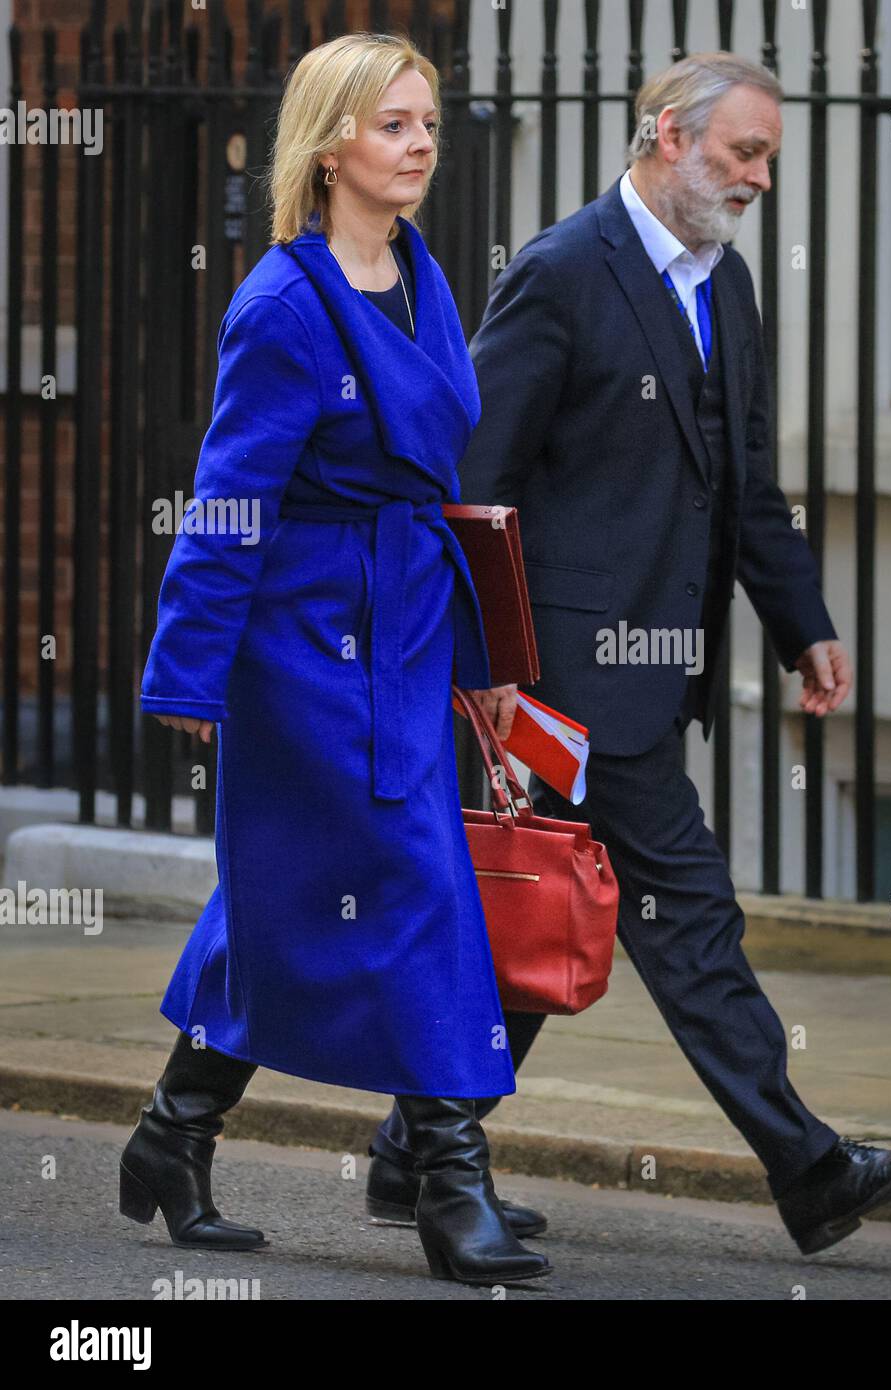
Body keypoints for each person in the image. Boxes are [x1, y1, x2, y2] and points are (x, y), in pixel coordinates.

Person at [367, 52, 891, 1259]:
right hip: (565, 685)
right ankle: (809, 1167)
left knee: (538, 921)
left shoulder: (721, 287)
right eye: (745, 152)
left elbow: (746, 488)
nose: (760, 177)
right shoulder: (564, 272)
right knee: (685, 914)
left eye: (768, 157)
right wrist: (496, 677)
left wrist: (805, 625)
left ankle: (413, 1152)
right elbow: (476, 491)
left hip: (647, 669)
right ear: (666, 140)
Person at [124, 32, 548, 1286]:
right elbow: (227, 500)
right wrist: (189, 673)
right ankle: (447, 1177)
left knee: (289, 894)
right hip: (304, 646)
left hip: (409, 625)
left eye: (428, 121)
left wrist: (479, 661)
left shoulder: (421, 273)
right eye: (394, 125)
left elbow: (436, 491)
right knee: (417, 882)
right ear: (330, 146)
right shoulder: (279, 307)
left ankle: (170, 1134)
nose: (422, 143)